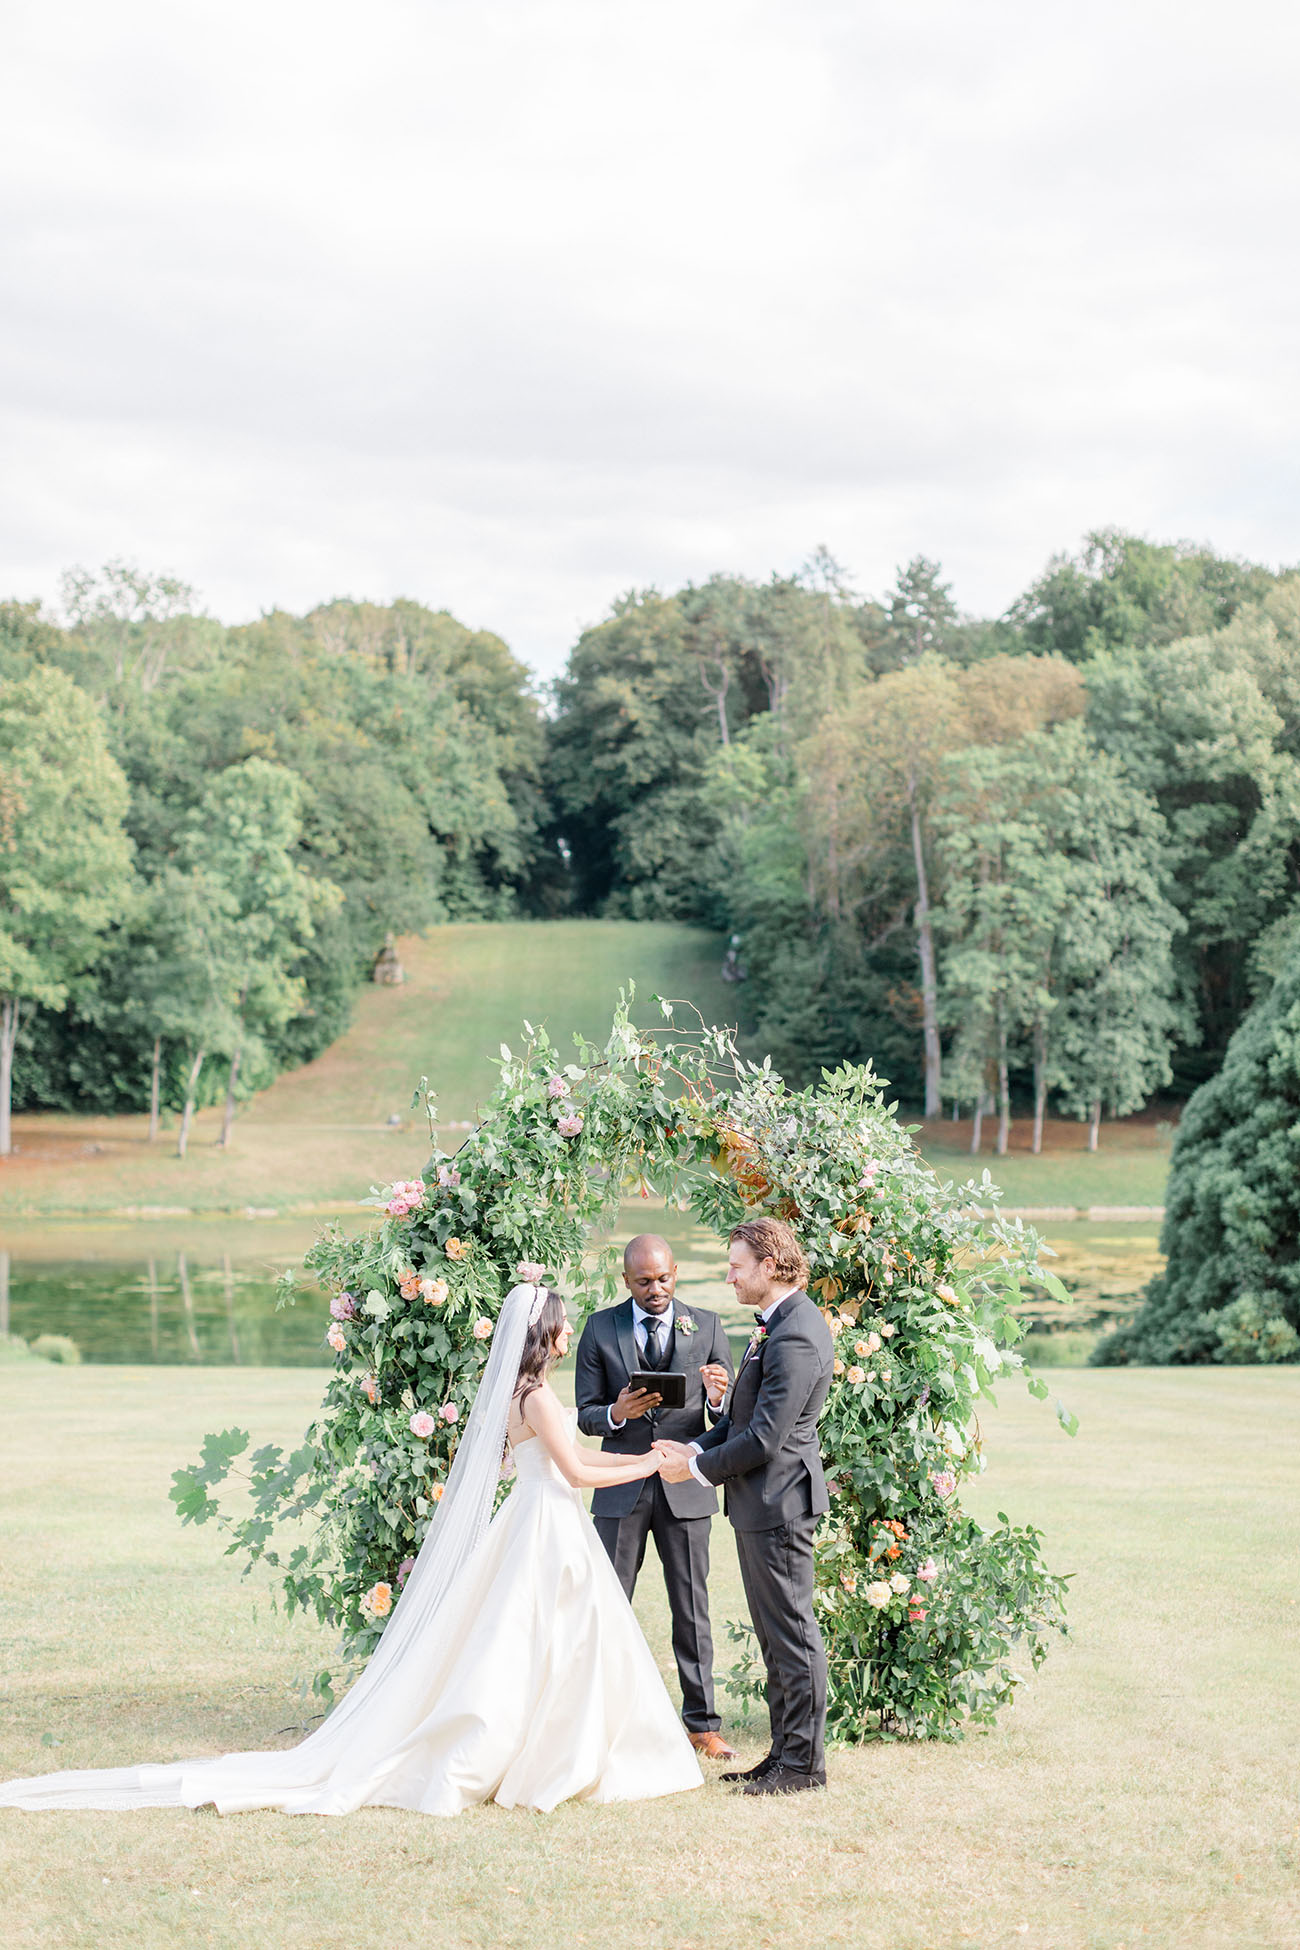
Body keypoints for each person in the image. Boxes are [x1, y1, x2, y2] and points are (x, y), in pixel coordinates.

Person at [0, 1282, 703, 1818]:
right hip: (547, 1525)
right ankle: (547, 1756)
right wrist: (652, 1463)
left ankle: (542, 1749)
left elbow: (564, 1464)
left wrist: (645, 1462)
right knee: (551, 1641)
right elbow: (578, 1470)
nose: (567, 1333)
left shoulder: (521, 1395)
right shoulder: (541, 1400)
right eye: (562, 1325)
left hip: (535, 1519)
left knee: (528, 1643)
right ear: (545, 1334)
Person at [656, 1218, 834, 1798]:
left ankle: (804, 1767)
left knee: (793, 1634)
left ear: (770, 1264)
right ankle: (782, 1754)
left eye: (737, 1266)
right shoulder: (774, 1326)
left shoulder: (798, 1331)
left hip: (781, 1502)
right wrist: (693, 1446)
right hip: (759, 1504)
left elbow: (765, 1439)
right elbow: (736, 1421)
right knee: (773, 1634)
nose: (729, 1275)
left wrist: (696, 1470)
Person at [575, 1233, 737, 1760]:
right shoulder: (600, 1328)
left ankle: (703, 1726)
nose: (656, 1289)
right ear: (627, 1281)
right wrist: (617, 1412)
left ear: (676, 1273)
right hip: (621, 1487)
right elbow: (585, 1413)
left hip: (685, 1487)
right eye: (644, 1281)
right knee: (608, 1604)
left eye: (663, 1278)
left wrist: (718, 1399)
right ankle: (598, 1720)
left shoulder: (708, 1325)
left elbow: (729, 1420)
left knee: (692, 1608)